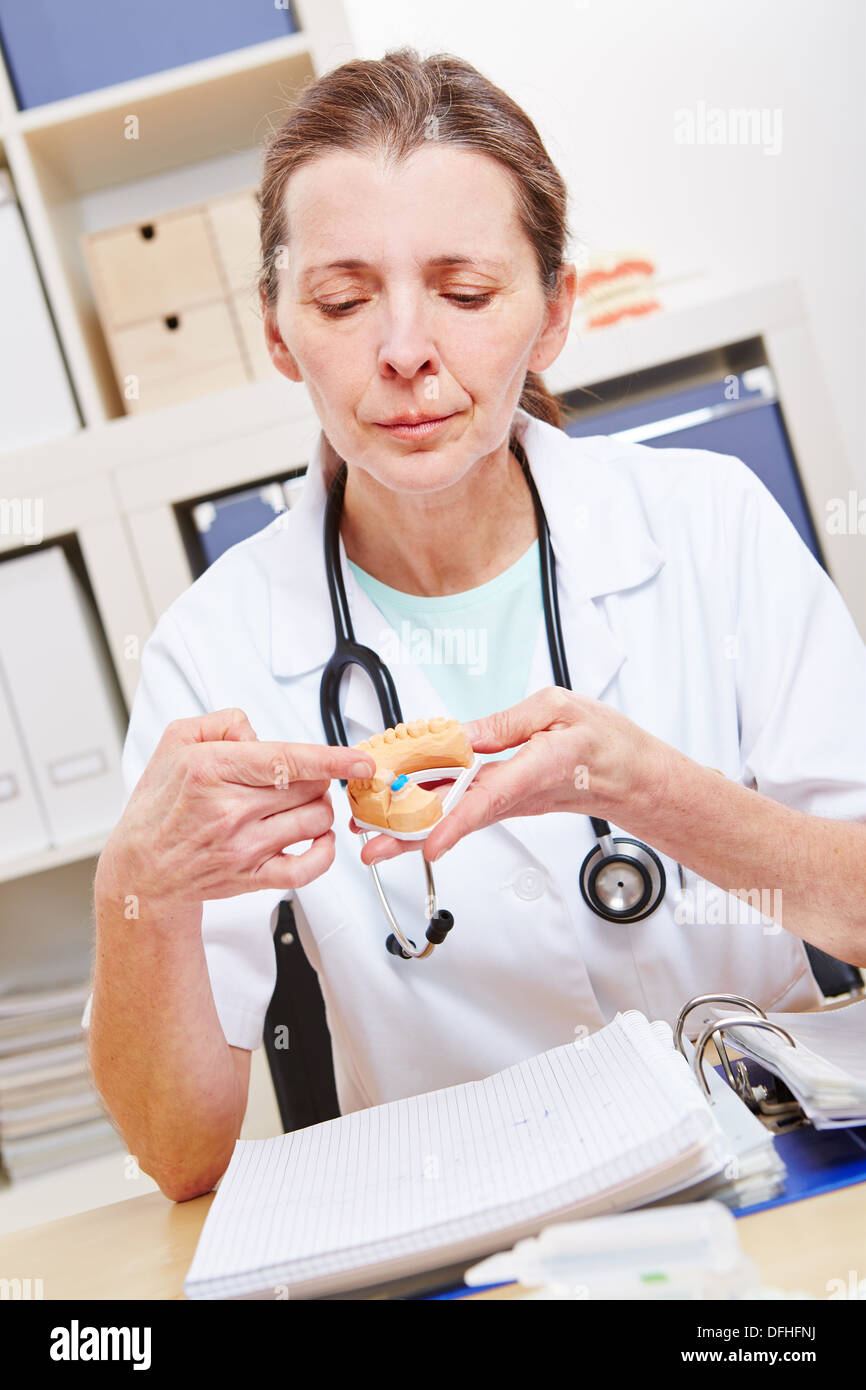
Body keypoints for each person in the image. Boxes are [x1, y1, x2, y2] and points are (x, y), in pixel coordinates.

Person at [86, 49, 866, 1201]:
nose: (404, 350)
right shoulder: (215, 647)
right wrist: (132, 892)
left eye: (463, 292)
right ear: (279, 333)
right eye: (344, 300)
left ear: (553, 312)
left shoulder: (709, 526)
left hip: (775, 1200)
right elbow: (179, 1152)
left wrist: (654, 792)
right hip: (471, 1245)